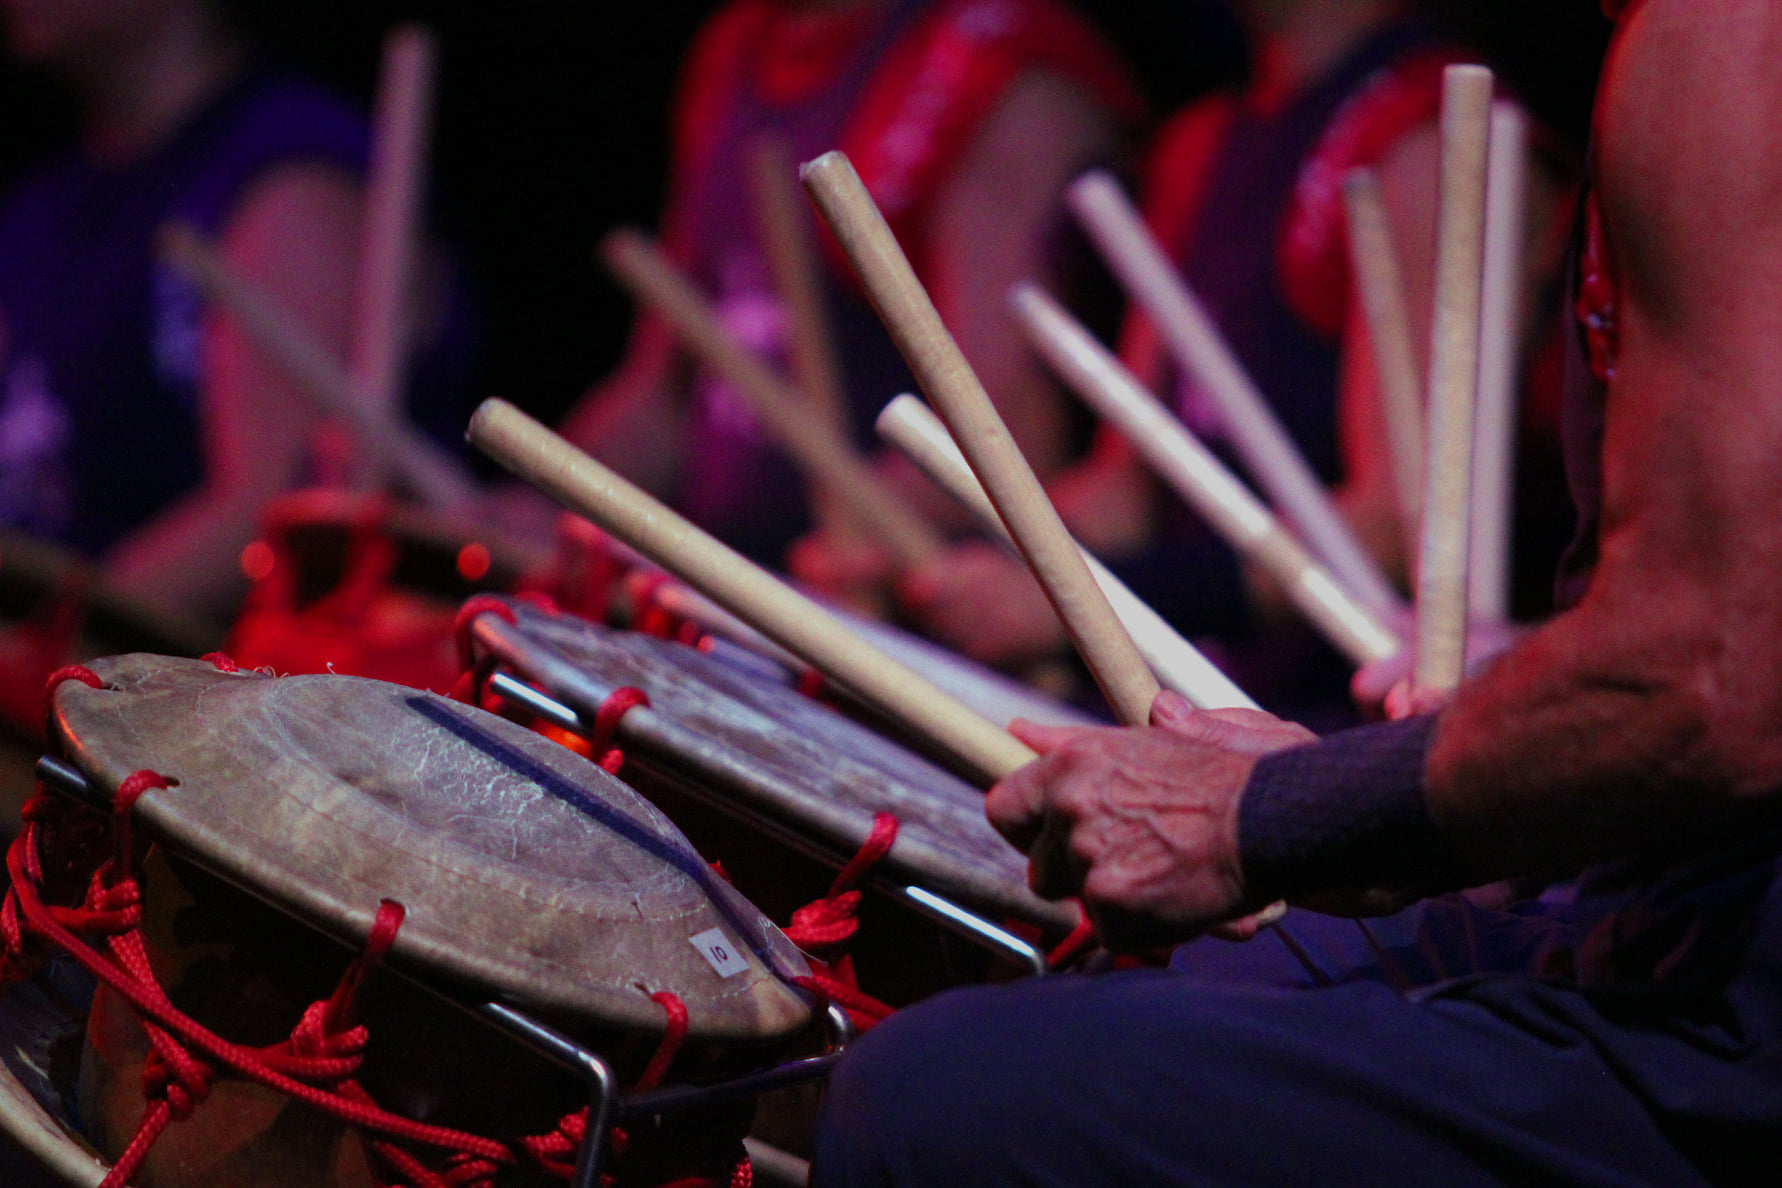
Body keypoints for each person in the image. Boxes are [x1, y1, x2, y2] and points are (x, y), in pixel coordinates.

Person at [809, 0, 1782, 1182]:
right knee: (1170, 970)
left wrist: (1266, 812)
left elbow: (1709, 675)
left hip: (1724, 999)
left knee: (933, 1095)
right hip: (1655, 897)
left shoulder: (1719, 42)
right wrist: (1538, 682)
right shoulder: (1211, 143)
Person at [890, 0, 1570, 722]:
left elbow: (1400, 529)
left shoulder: (1427, 136)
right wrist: (970, 565)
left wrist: (1089, 602)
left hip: (1331, 732)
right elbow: (1129, 490)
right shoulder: (1202, 142)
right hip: (1176, 706)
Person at [559, 0, 1144, 568]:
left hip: (877, 606)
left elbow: (1003, 440)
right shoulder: (740, 44)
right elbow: (664, 396)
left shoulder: (1000, 60)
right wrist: (551, 495)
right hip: (735, 571)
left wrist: (793, 557)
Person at [0, 0, 470, 628]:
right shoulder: (47, 203)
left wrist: (39, 645)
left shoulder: (287, 174)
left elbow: (275, 507)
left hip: (189, 695)